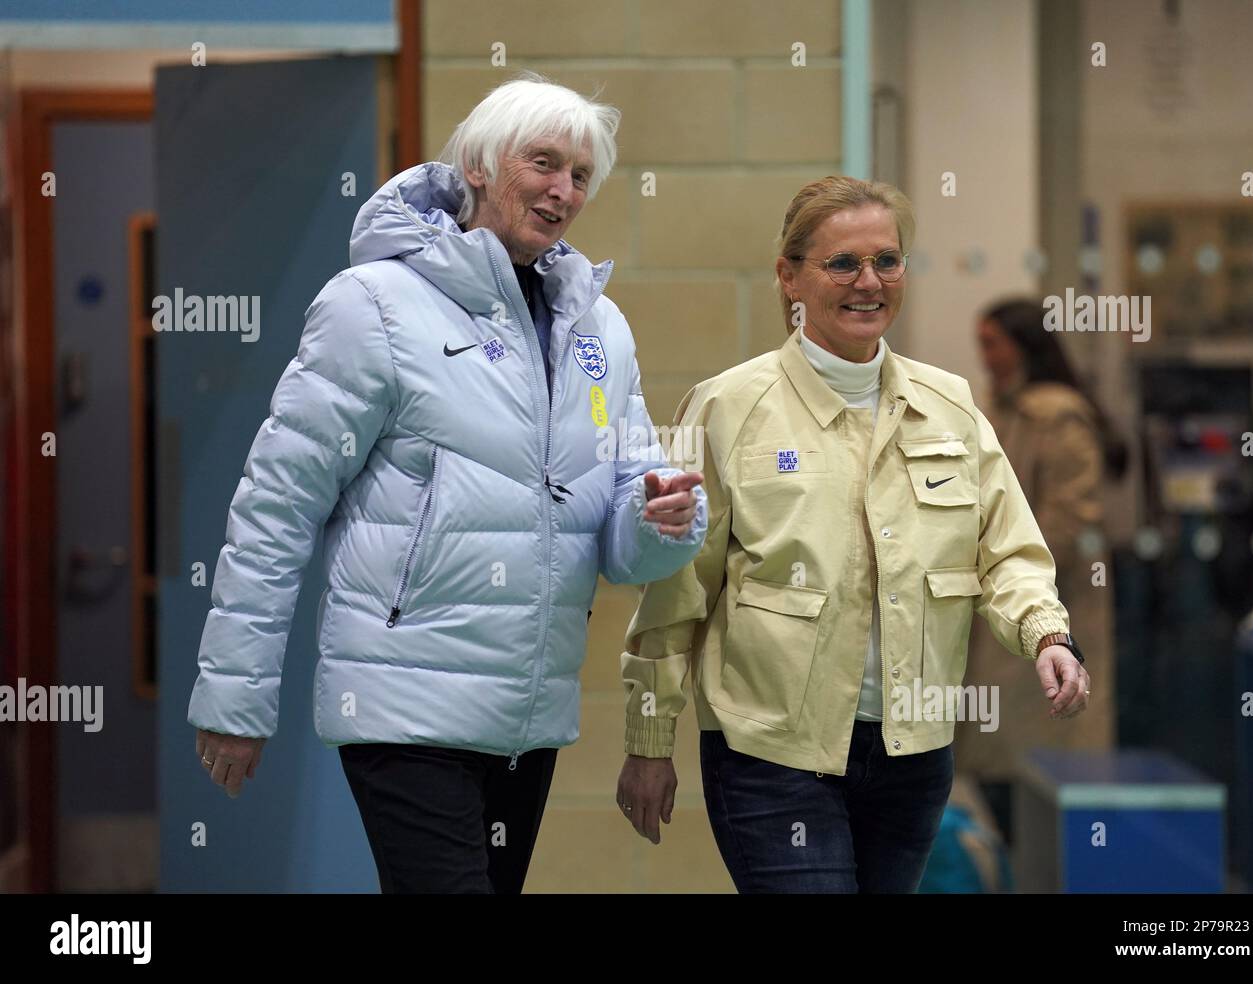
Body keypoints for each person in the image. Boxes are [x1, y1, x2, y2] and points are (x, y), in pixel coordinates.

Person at [187, 73, 707, 894]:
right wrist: (233, 694)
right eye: (543, 163)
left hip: (526, 716)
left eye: (580, 175)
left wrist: (663, 520)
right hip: (402, 703)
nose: (564, 190)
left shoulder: (597, 328)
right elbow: (276, 505)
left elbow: (621, 547)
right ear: (477, 165)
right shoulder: (375, 304)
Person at [614, 175, 1090, 893]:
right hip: (772, 755)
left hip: (914, 754)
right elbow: (675, 592)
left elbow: (1007, 552)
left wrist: (1046, 635)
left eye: (887, 261)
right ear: (790, 276)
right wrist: (649, 740)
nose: (869, 282)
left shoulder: (949, 406)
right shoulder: (727, 406)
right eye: (843, 263)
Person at [954, 297, 1126, 844]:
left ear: (1022, 345)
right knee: (1001, 768)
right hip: (1003, 605)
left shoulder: (1055, 415)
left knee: (1041, 768)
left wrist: (1008, 558)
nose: (984, 355)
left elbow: (1072, 517)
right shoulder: (1002, 410)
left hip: (1049, 601)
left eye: (992, 342)